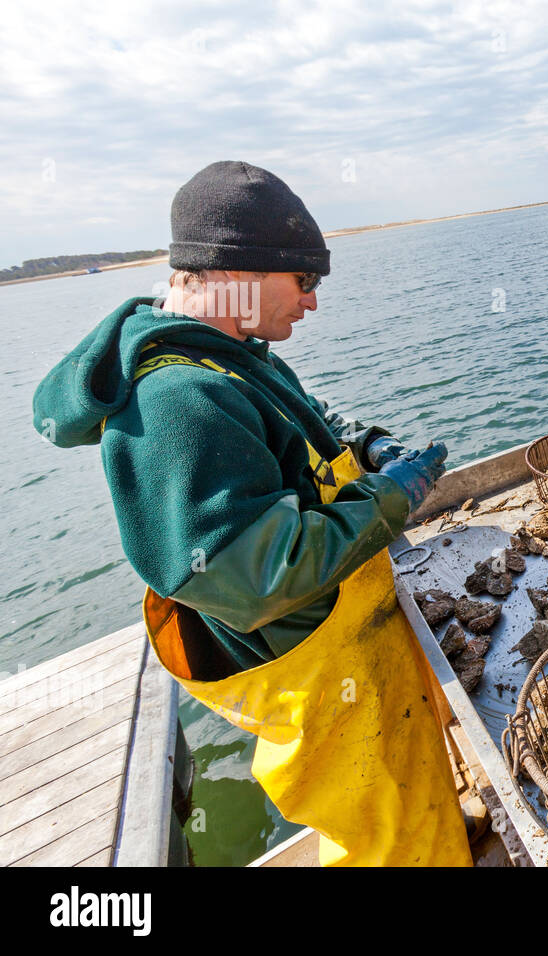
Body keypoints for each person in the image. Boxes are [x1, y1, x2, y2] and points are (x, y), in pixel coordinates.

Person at [32, 161, 471, 866]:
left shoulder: (230, 354)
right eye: (304, 281)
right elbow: (264, 570)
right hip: (319, 679)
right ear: (238, 271)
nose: (313, 302)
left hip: (348, 648)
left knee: (409, 805)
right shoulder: (176, 404)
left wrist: (364, 444)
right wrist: (394, 496)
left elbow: (303, 421)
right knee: (386, 842)